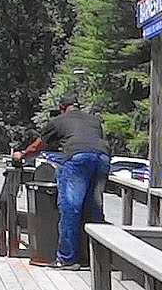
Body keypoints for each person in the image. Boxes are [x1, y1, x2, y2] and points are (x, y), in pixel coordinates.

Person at [12, 94, 111, 270]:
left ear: (62, 108)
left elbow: (38, 146)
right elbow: (91, 143)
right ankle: (95, 259)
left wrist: (22, 155)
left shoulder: (59, 121)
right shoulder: (94, 121)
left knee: (71, 208)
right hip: (102, 158)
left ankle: (67, 259)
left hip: (77, 159)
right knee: (94, 208)